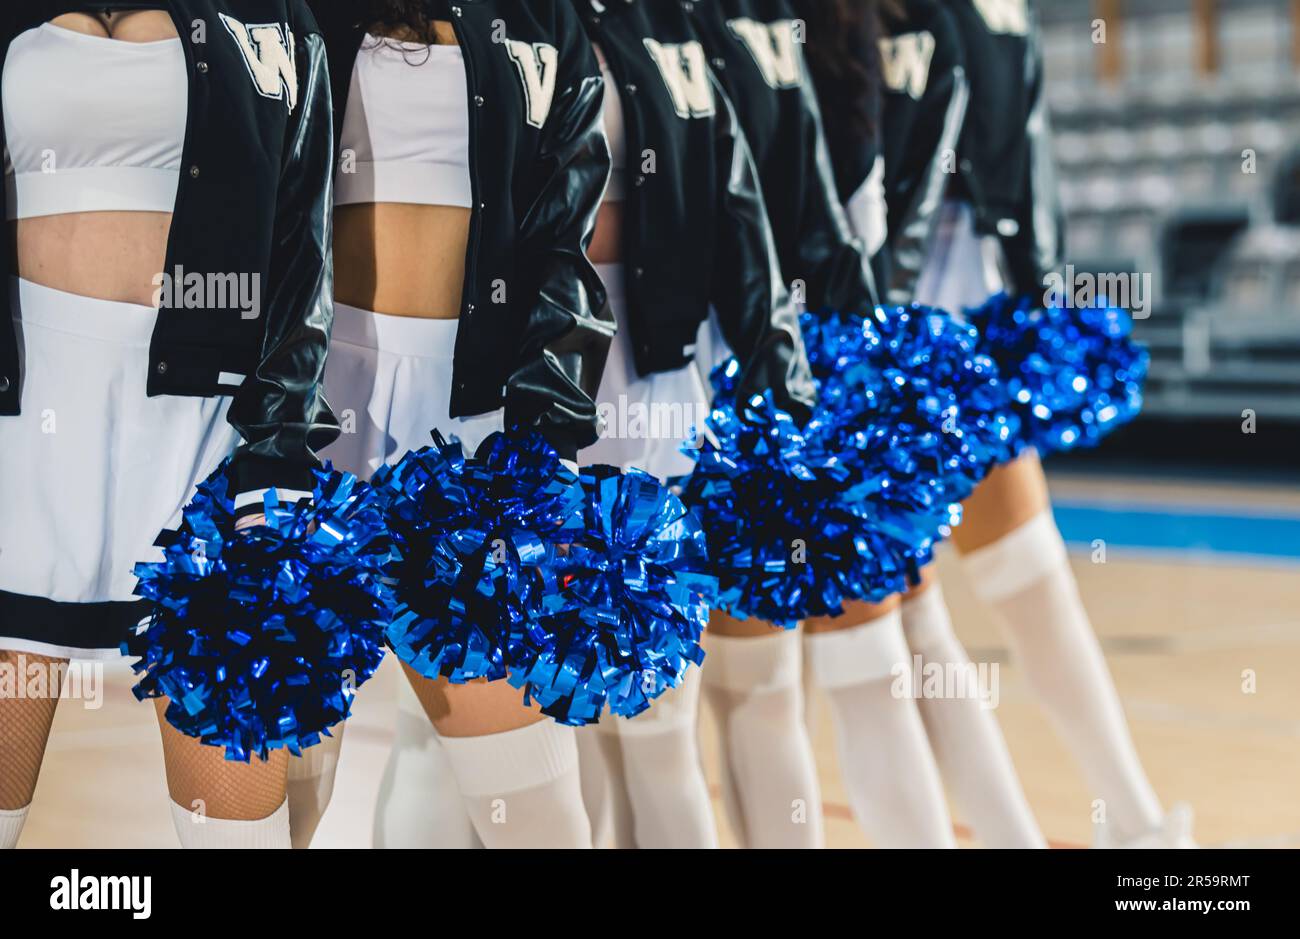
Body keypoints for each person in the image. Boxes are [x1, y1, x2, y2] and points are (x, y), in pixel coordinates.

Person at [0, 1, 337, 849]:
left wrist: (277, 460)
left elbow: (302, 256)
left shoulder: (276, 18)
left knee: (238, 839)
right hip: (17, 444)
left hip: (203, 451)